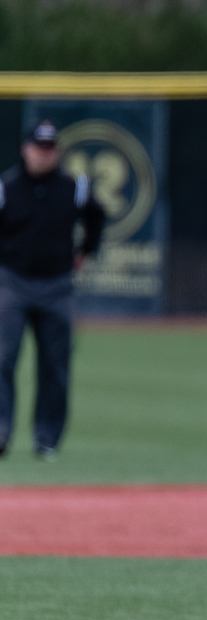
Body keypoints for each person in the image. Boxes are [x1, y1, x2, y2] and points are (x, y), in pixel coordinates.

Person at [0, 120, 105, 460]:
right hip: (12, 283)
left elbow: (96, 216)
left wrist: (86, 250)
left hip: (57, 285)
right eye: (39, 147)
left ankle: (46, 440)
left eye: (50, 148)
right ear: (25, 149)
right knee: (2, 358)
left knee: (55, 364)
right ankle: (1, 433)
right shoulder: (6, 187)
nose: (44, 154)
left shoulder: (73, 187)